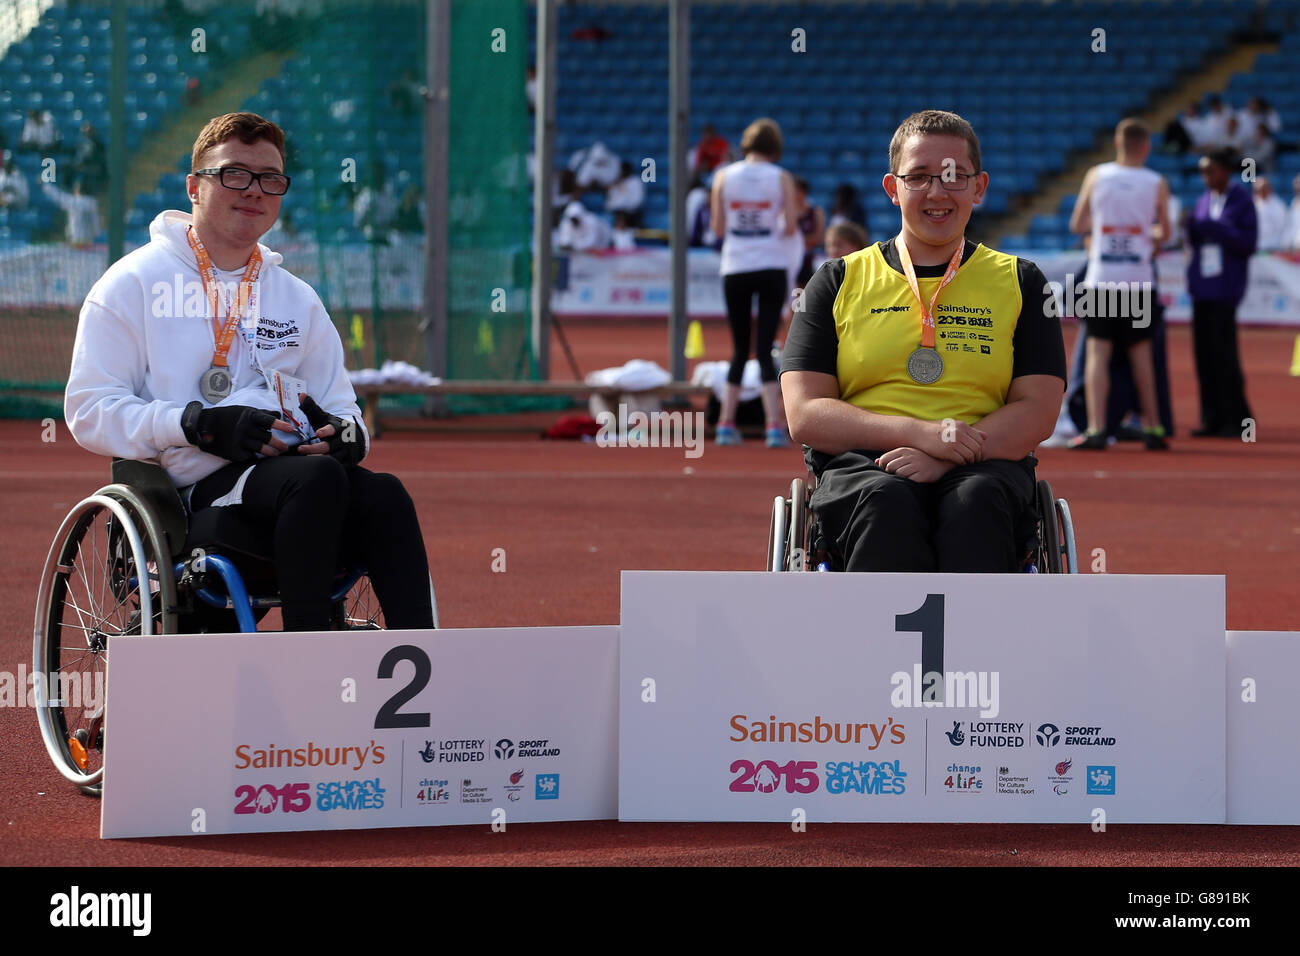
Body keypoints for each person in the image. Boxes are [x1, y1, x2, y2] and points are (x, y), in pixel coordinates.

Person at [63, 111, 434, 631]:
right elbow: (89, 410)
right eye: (233, 174)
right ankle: (310, 657)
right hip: (187, 499)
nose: (254, 190)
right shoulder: (131, 284)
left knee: (383, 492)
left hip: (296, 484)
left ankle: (425, 665)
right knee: (318, 481)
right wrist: (197, 425)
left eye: (270, 179)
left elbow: (344, 406)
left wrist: (346, 437)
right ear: (194, 186)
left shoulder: (295, 297)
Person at [781, 109, 1066, 572]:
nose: (937, 192)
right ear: (893, 189)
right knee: (885, 500)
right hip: (865, 467)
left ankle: (982, 645)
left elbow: (1039, 411)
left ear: (980, 186)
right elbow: (805, 413)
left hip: (987, 464)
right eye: (918, 177)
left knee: (976, 501)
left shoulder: (1022, 283)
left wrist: (946, 458)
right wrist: (920, 434)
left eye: (954, 176)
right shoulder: (836, 280)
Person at [1066, 118, 1170, 450]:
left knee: (1098, 353)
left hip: (1102, 279)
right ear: (1146, 147)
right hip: (1138, 280)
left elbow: (1077, 223)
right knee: (1142, 355)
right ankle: (1153, 428)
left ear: (1117, 143)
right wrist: (1142, 233)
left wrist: (1105, 229)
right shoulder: (1156, 182)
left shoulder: (1097, 175)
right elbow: (1165, 233)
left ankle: (1097, 429)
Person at [710, 117, 799, 448]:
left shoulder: (723, 177)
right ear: (774, 146)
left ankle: (725, 424)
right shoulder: (781, 178)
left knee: (738, 347)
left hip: (735, 265)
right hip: (771, 263)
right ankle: (773, 426)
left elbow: (718, 229)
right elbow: (790, 227)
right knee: (765, 348)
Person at [1185, 146, 1257, 438]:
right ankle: (1212, 418)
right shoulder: (1203, 201)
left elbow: (1247, 243)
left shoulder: (1241, 200)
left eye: (1210, 170)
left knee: (1224, 354)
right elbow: (1196, 236)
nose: (1205, 177)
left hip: (1225, 289)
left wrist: (1213, 228)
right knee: (1204, 356)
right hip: (1203, 288)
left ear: (1225, 170)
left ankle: (1237, 419)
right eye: (1202, 171)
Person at [42, 179, 101, 246]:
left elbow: (57, 196)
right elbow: (96, 225)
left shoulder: (73, 201)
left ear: (76, 190)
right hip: (89, 242)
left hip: (76, 241)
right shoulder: (93, 202)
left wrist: (45, 185)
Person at [605, 160, 645, 227]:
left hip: (631, 213)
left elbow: (638, 202)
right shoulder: (616, 182)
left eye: (622, 170)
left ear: (628, 170)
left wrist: (624, 207)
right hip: (617, 213)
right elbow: (609, 203)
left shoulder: (636, 182)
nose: (620, 172)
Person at [1252, 176, 1288, 250]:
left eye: (1263, 188)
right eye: (1258, 189)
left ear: (1269, 188)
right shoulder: (1252, 205)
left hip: (1274, 247)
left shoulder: (1278, 206)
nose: (1261, 191)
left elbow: (1281, 228)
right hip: (1256, 247)